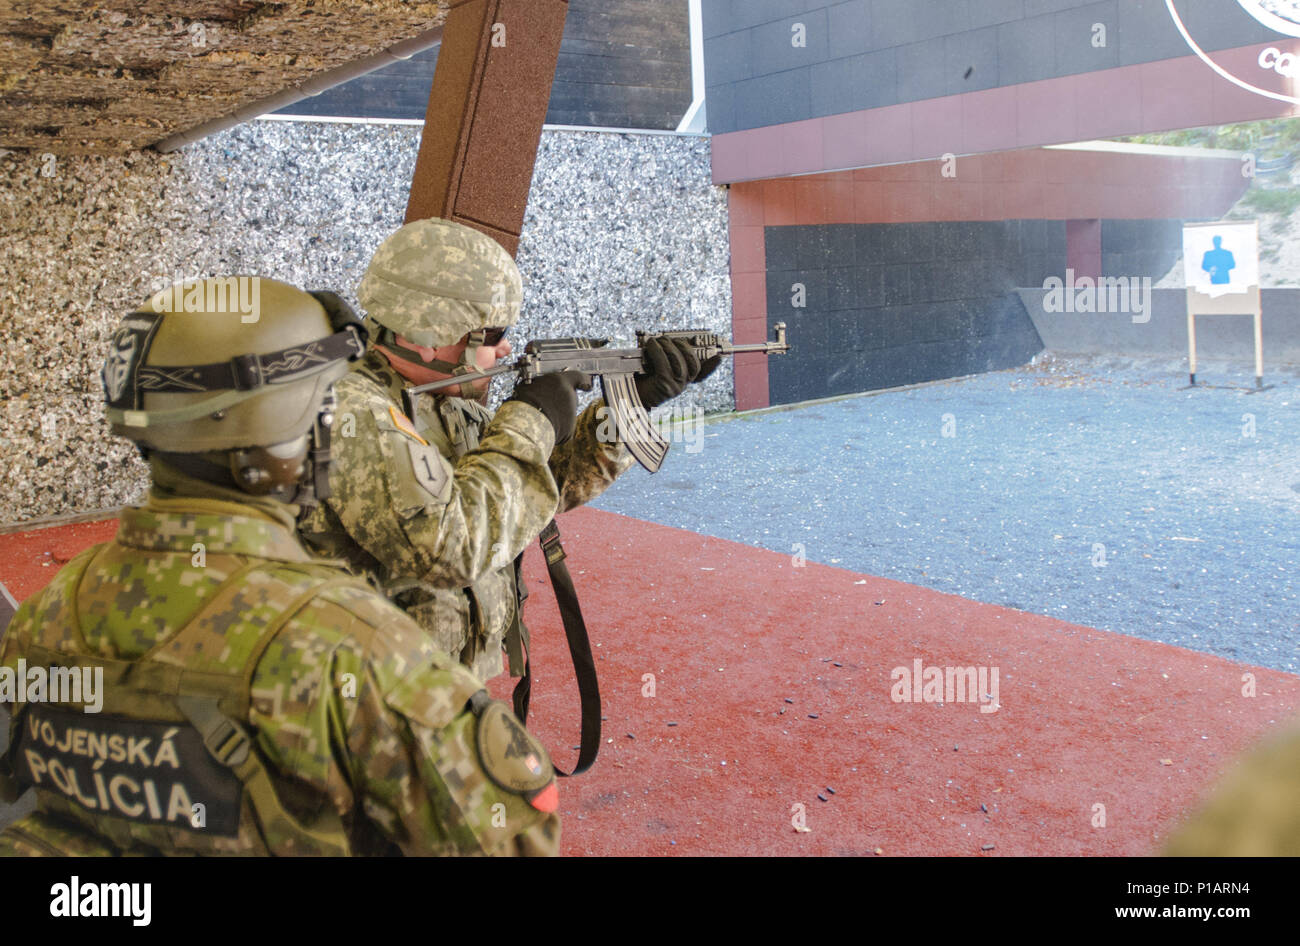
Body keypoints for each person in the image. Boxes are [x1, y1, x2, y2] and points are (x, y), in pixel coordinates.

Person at [0, 277, 559, 856]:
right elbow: (516, 838)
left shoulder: (48, 611)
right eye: (322, 405)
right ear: (286, 430)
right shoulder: (354, 646)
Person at [298, 218, 717, 682]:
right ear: (427, 335)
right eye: (492, 334)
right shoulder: (354, 413)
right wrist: (530, 416)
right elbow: (450, 547)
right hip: (374, 705)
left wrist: (631, 402)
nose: (505, 348)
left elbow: (536, 491)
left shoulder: (438, 401)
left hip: (437, 693)